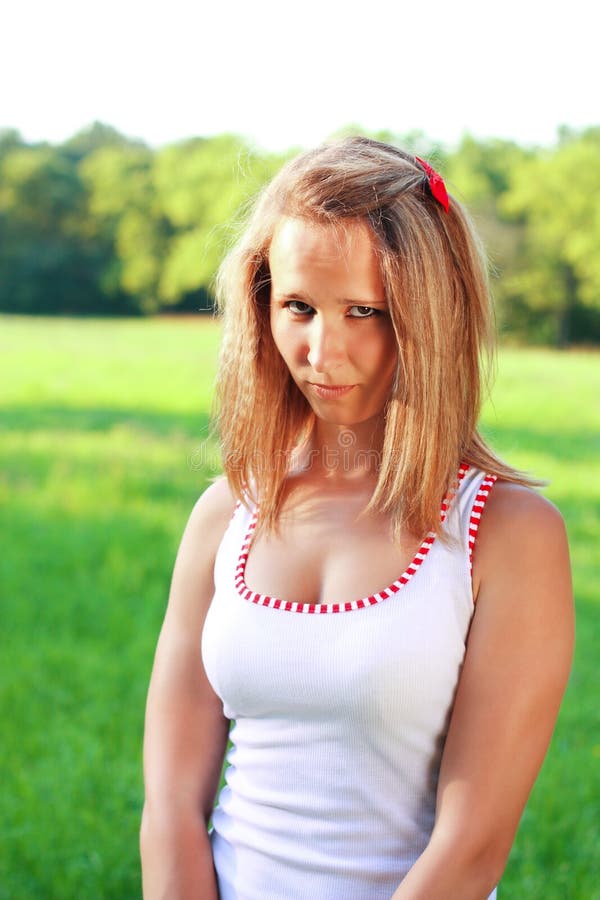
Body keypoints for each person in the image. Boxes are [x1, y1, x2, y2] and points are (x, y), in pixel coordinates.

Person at [140, 137, 574, 899]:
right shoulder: (224, 516)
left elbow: (471, 849)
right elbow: (171, 807)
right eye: (298, 307)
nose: (322, 350)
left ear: (430, 318)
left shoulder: (507, 535)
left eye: (364, 312)